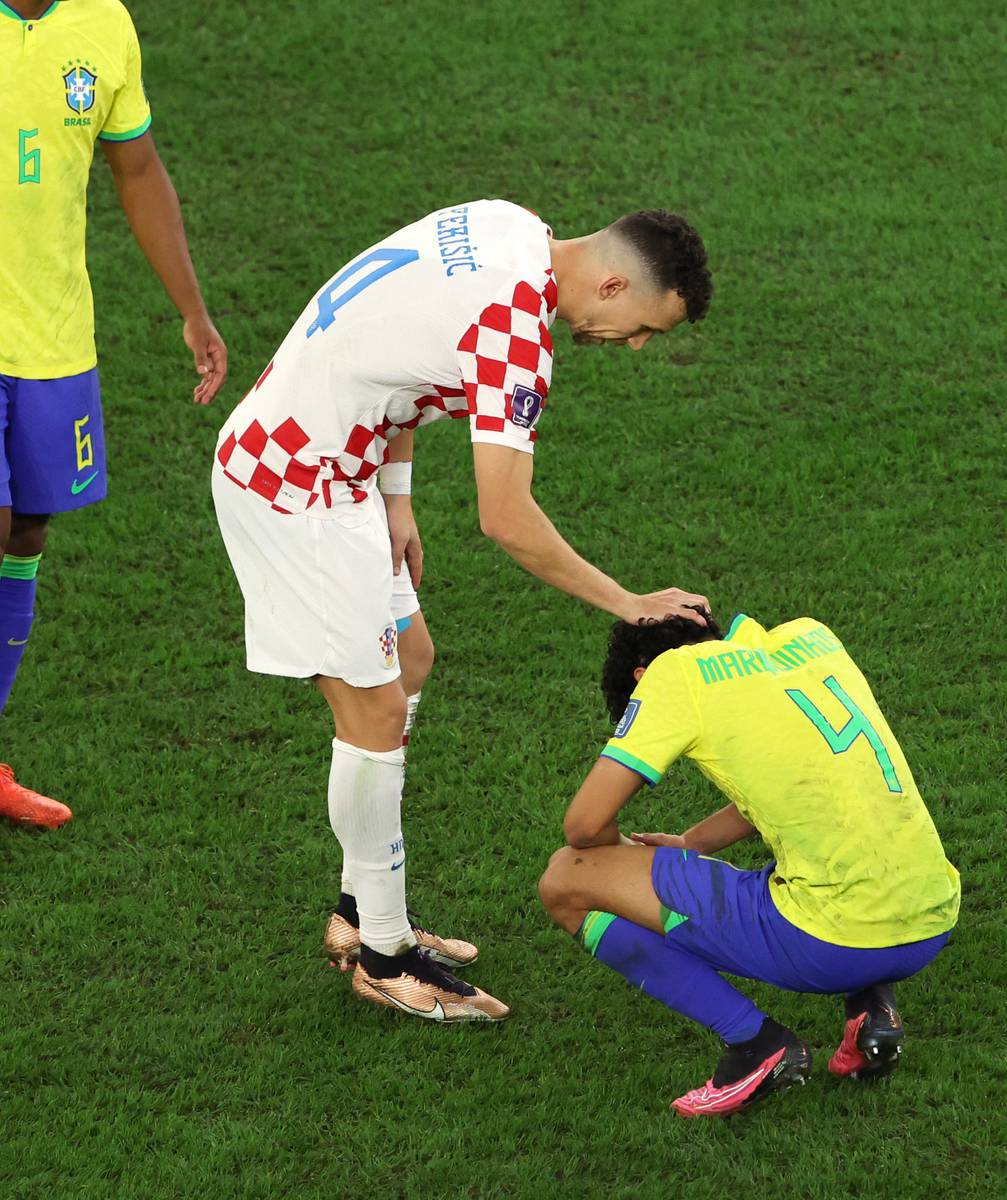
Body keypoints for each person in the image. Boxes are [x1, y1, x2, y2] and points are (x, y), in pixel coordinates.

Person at [212, 199, 713, 1021]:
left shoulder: (505, 222)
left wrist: (397, 496)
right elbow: (506, 518)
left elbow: (395, 347)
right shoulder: (519, 331)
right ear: (616, 283)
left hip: (332, 467)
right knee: (371, 708)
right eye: (643, 327)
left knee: (409, 660)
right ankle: (384, 952)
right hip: (295, 488)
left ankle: (357, 913)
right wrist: (630, 602)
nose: (637, 346)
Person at [538, 609, 960, 1117]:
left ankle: (759, 1046)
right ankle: (872, 1010)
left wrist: (623, 858)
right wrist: (690, 843)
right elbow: (801, 777)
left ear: (640, 678)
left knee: (565, 878)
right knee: (840, 854)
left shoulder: (674, 673)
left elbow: (583, 828)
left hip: (834, 944)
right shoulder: (809, 638)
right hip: (933, 917)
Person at [1, 0, 227, 827]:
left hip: (53, 341)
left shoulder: (104, 23)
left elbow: (136, 170)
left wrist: (192, 310)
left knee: (27, 530)